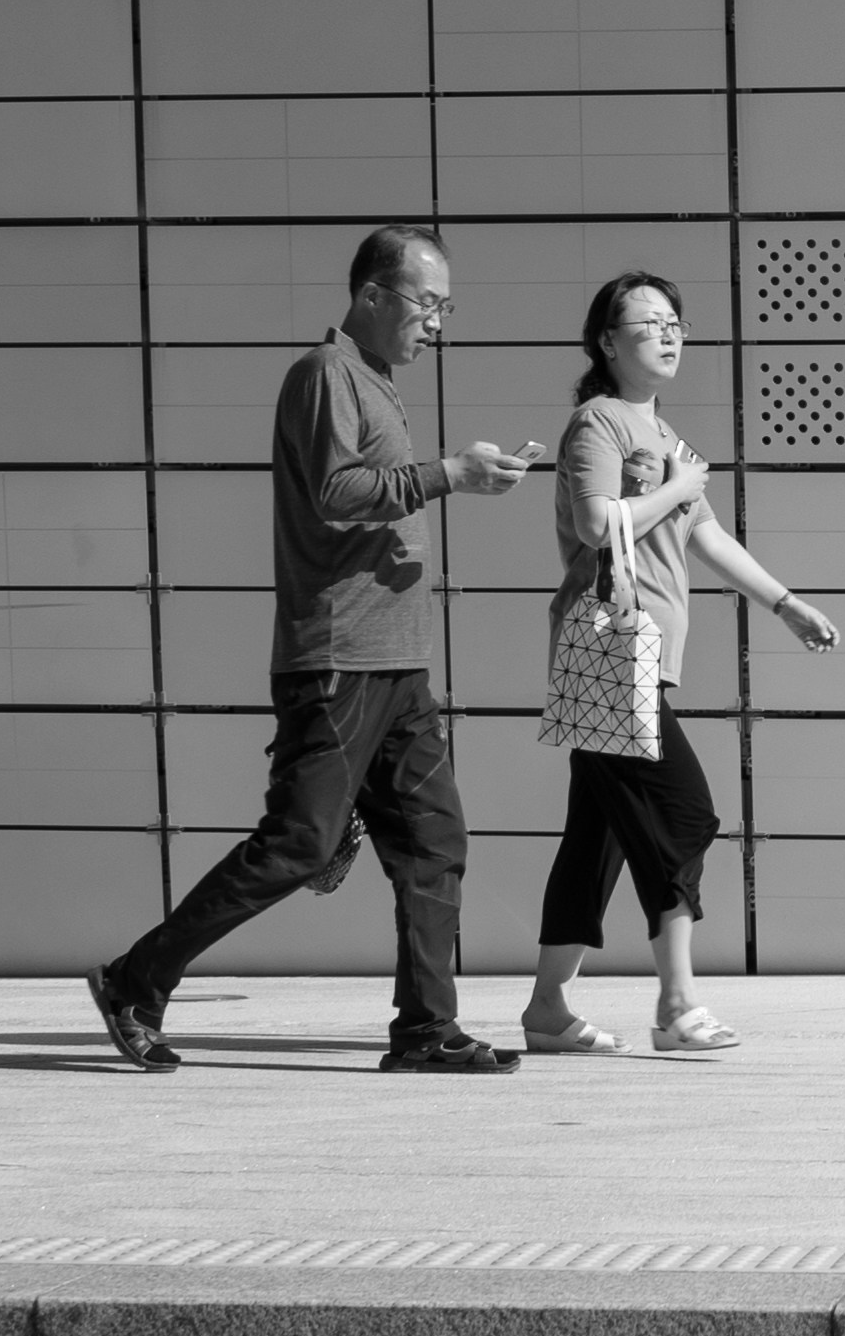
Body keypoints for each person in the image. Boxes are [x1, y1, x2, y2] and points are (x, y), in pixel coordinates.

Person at [89, 229, 539, 1078]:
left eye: (446, 309)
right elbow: (336, 496)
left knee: (434, 845)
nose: (437, 325)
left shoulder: (374, 383)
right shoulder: (324, 375)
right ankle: (132, 982)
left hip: (398, 667)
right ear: (372, 296)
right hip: (335, 660)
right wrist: (450, 474)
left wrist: (449, 477)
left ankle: (424, 1031)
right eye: (426, 304)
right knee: (298, 845)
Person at [523, 269, 838, 1058]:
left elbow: (705, 536)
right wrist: (680, 486)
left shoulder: (664, 436)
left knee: (593, 841)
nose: (668, 334)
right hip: (609, 657)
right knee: (684, 816)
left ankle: (548, 1012)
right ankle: (677, 1004)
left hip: (643, 663)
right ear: (606, 340)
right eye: (649, 322)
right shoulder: (598, 424)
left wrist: (785, 602)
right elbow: (600, 526)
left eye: (676, 323)